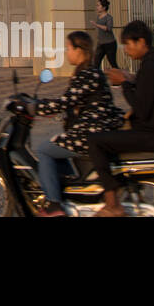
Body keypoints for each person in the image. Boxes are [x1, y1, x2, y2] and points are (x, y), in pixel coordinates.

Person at [87, 20, 154, 217]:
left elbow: (141, 107)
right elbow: (148, 93)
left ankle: (112, 202)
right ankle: (125, 187)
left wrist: (123, 83)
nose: (126, 50)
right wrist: (131, 79)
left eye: (129, 44)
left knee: (95, 141)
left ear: (141, 42)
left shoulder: (150, 68)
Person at [30, 31, 124, 217]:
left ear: (79, 50)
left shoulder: (86, 74)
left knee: (44, 149)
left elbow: (65, 102)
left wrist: (34, 108)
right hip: (98, 131)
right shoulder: (93, 72)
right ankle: (68, 189)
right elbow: (71, 102)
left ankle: (54, 204)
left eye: (68, 48)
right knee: (57, 146)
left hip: (88, 135)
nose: (67, 53)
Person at [91, 0, 117, 70]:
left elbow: (108, 28)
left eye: (98, 5)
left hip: (110, 43)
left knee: (112, 63)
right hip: (101, 43)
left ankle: (119, 77)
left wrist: (96, 25)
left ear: (104, 7)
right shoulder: (98, 17)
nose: (97, 7)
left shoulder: (109, 18)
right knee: (96, 63)